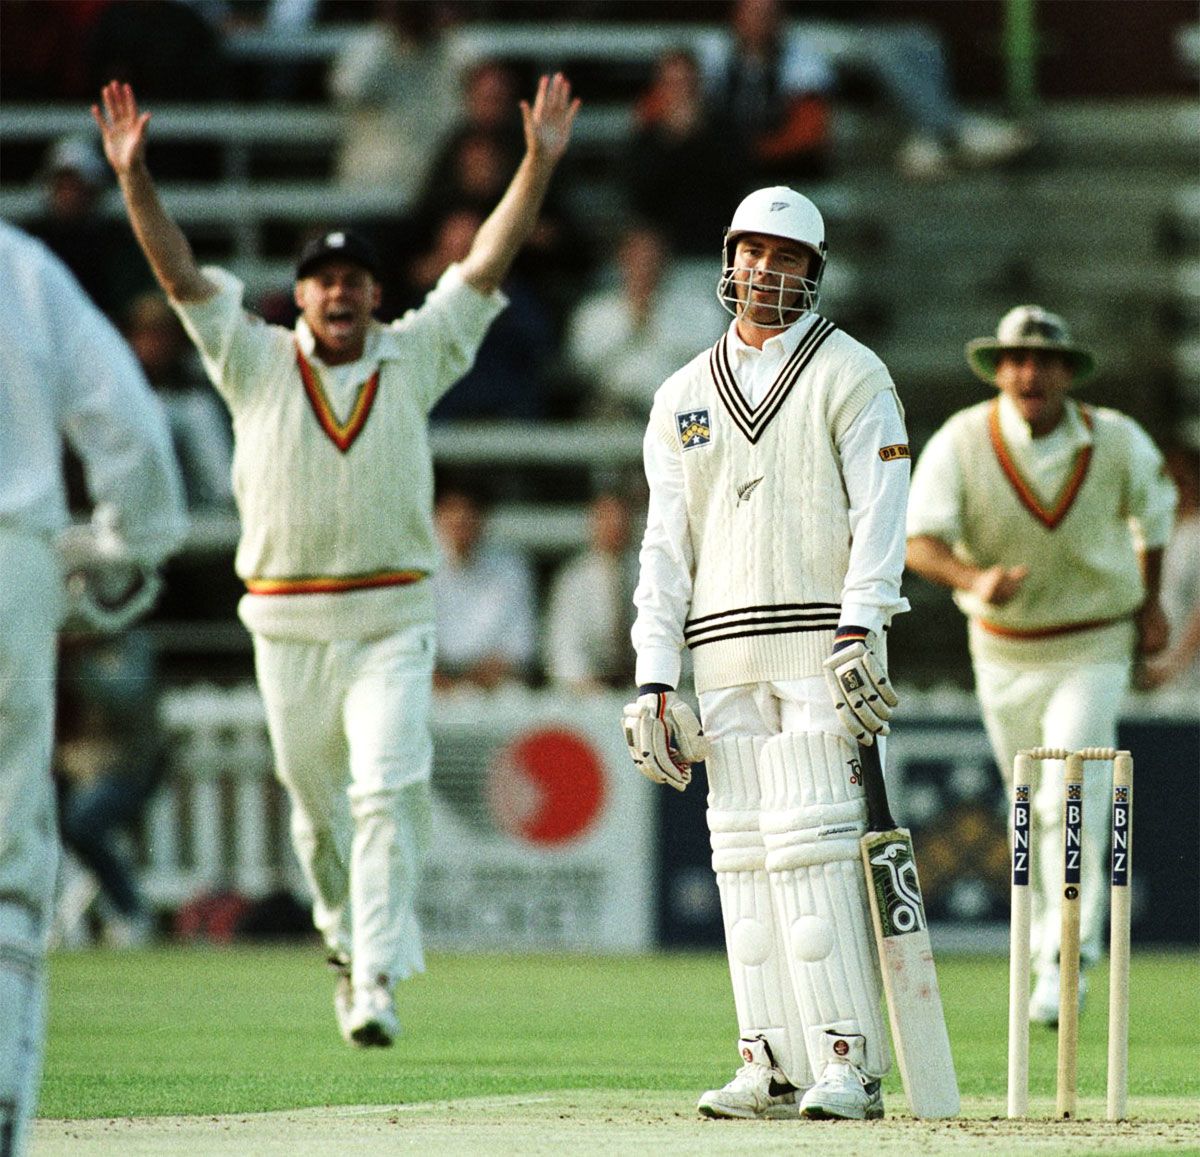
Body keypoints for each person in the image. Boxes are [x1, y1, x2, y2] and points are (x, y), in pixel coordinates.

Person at [93, 72, 578, 1047]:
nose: (340, 291)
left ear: (374, 293)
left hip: (393, 618)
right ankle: (340, 933)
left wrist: (535, 164)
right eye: (323, 278)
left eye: (355, 278)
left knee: (390, 786)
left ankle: (376, 976)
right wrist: (135, 180)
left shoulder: (417, 352)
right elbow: (182, 275)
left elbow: (484, 263)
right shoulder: (255, 358)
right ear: (301, 294)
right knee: (319, 824)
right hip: (287, 626)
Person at [624, 185, 911, 1120]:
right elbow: (665, 548)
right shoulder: (679, 395)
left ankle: (848, 1061)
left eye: (784, 257)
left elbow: (881, 515)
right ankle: (770, 1059)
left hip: (819, 646)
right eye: (750, 251)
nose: (762, 271)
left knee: (815, 846)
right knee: (741, 854)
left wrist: (863, 623)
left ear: (812, 271)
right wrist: (653, 676)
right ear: (727, 259)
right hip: (721, 654)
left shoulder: (851, 371)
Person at [905, 305, 1178, 1024]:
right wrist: (972, 579)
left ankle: (1066, 957)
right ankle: (1042, 955)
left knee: (1067, 792)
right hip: (1002, 647)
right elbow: (919, 540)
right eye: (1016, 359)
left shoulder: (1115, 438)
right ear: (999, 369)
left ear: (1066, 371)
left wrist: (1149, 603)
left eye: (1044, 360)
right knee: (1027, 805)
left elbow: (1156, 514)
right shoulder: (963, 441)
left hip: (1092, 640)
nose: (1030, 372)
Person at [0, 219, 185, 1157]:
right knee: (4, 871)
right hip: (11, 554)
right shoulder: (23, 269)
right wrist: (124, 543)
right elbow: (132, 434)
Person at [565, 223, 728, 421]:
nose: (645, 264)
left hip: (683, 405)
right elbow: (581, 366)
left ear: (665, 260)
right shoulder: (596, 311)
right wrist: (632, 325)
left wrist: (655, 322)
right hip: (615, 408)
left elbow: (714, 359)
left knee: (703, 432)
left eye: (652, 257)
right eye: (638, 257)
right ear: (622, 259)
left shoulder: (697, 308)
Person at [432, 487, 538, 691]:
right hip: (434, 687)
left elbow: (521, 648)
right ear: (437, 519)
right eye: (452, 516)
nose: (460, 526)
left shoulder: (511, 569)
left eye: (467, 517)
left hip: (495, 687)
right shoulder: (419, 570)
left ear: (482, 520)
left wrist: (477, 678)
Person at [543, 492, 640, 693]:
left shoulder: (651, 574)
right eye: (606, 519)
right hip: (589, 691)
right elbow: (563, 648)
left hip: (643, 685)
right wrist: (589, 685)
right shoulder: (573, 578)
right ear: (592, 524)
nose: (615, 527)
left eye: (621, 519)